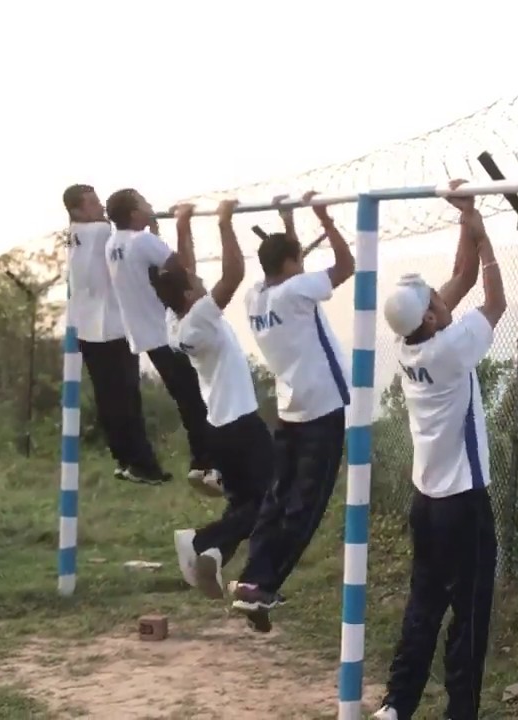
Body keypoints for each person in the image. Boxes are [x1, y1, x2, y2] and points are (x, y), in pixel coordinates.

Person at [373, 180, 506, 720]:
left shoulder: (411, 343)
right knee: (469, 613)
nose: (440, 296)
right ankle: (460, 712)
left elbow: (462, 278)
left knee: (423, 606)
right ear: (431, 317)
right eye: (433, 298)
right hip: (462, 501)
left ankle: (396, 706)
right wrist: (485, 234)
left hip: (426, 500)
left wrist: (465, 217)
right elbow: (493, 298)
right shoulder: (451, 347)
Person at [228, 190, 355, 630]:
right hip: (322, 406)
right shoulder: (298, 291)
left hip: (291, 408)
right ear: (290, 263)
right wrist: (327, 219)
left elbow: (294, 272)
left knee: (277, 498)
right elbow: (345, 267)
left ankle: (251, 579)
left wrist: (288, 221)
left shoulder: (256, 297)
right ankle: (263, 587)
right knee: (306, 504)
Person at [152, 200, 274, 600]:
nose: (200, 281)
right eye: (194, 281)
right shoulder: (201, 316)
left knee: (244, 503)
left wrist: (183, 226)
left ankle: (216, 553)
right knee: (270, 499)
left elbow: (182, 272)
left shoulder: (175, 321)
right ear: (190, 292)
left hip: (218, 427)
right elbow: (235, 273)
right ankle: (201, 540)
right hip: (241, 424)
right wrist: (225, 223)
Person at [104, 188, 216, 490]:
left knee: (187, 397)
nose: (151, 206)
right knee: (196, 398)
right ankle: (205, 463)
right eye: (145, 204)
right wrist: (183, 225)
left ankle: (204, 460)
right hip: (166, 333)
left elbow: (147, 268)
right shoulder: (143, 241)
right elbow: (184, 268)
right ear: (133, 213)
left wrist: (155, 232)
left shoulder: (114, 243)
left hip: (144, 334)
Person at [61, 184, 156, 482]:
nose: (100, 207)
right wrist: (148, 221)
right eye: (92, 203)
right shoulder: (98, 232)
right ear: (77, 209)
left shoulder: (74, 233)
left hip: (86, 326)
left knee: (109, 399)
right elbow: (124, 232)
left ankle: (124, 459)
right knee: (127, 398)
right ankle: (143, 464)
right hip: (110, 326)